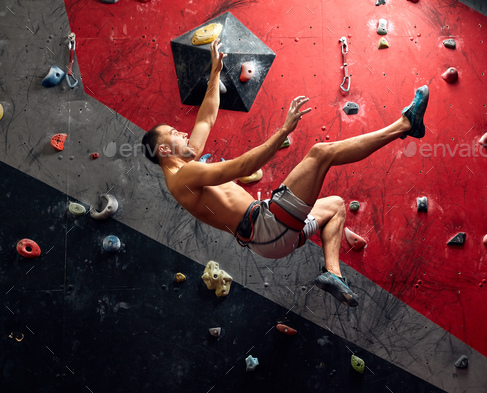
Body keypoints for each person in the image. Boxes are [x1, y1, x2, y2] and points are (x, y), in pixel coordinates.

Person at [142, 39, 429, 307]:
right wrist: (283, 130)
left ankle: (333, 273)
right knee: (320, 153)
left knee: (335, 207)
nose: (181, 132)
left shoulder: (184, 169)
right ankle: (405, 125)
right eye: (173, 133)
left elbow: (206, 118)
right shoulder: (184, 177)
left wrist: (216, 72)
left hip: (270, 240)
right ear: (164, 151)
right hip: (266, 226)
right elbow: (243, 167)